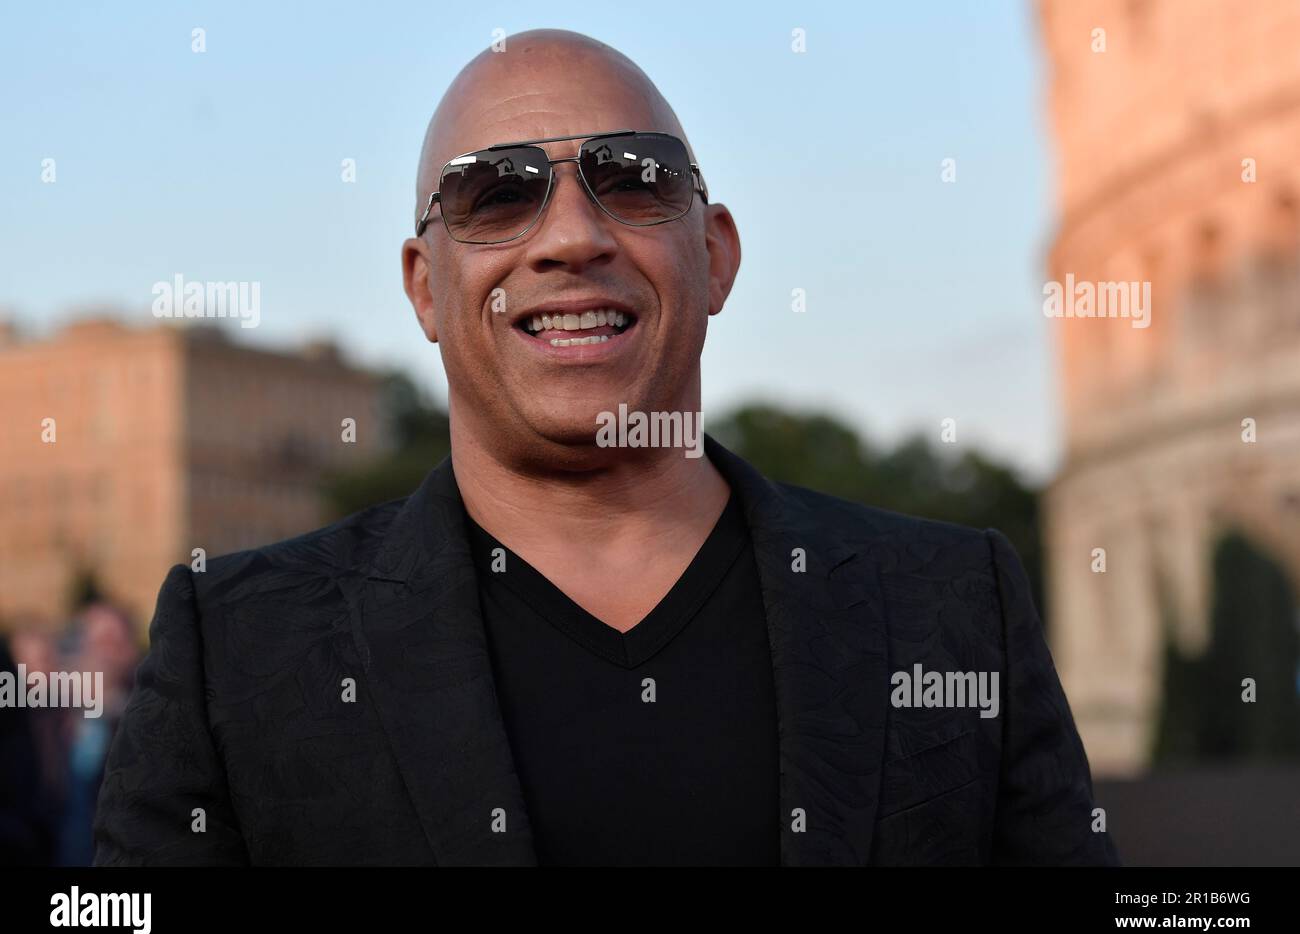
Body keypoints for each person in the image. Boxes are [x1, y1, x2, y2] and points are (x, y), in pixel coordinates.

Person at [94, 29, 1118, 866]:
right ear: (423, 289)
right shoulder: (238, 649)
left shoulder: (949, 608)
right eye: (495, 194)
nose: (572, 235)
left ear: (712, 255)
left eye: (633, 180)